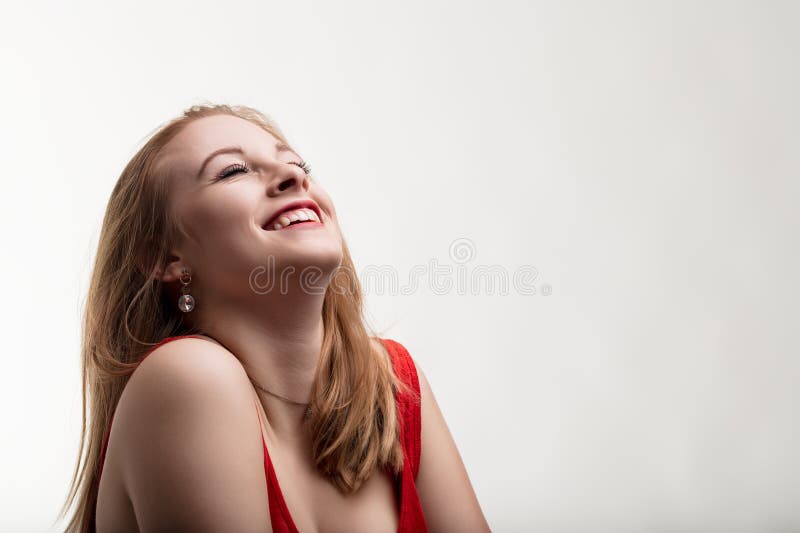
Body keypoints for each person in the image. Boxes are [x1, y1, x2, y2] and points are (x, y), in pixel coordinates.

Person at [59, 103, 490, 532]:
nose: (294, 177)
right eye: (232, 171)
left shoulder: (394, 384)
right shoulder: (187, 375)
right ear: (164, 257)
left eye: (299, 165)